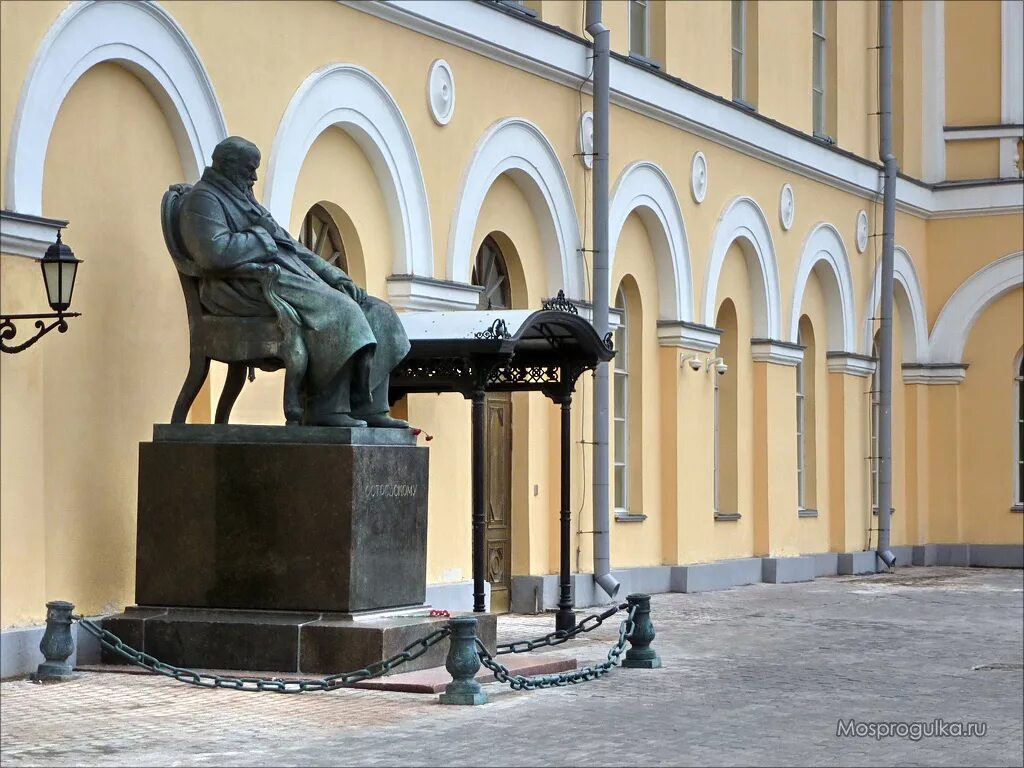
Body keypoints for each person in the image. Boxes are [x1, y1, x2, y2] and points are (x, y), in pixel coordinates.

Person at [177, 136, 409, 428]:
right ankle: (326, 408)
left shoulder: (244, 199)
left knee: (377, 311)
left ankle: (368, 405)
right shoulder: (203, 200)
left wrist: (335, 275)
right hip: (244, 289)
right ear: (227, 166)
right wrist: (261, 238)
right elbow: (214, 253)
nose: (254, 176)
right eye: (249, 168)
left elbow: (292, 246)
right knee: (342, 312)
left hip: (283, 279)